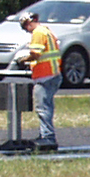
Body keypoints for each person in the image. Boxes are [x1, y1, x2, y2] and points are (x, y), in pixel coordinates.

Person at [18, 10, 63, 151]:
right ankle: (45, 134)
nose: (27, 30)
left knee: (43, 107)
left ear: (28, 23)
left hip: (45, 75)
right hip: (52, 74)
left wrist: (23, 60)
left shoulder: (38, 33)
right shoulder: (46, 31)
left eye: (26, 27)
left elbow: (35, 54)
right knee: (46, 106)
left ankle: (48, 137)